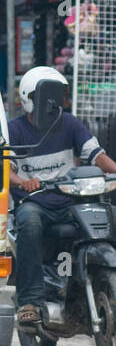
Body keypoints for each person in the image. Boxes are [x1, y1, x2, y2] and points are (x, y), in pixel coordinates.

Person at [8, 66, 116, 326]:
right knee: (29, 222)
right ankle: (30, 301)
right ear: (29, 98)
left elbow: (97, 157)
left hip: (71, 200)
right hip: (35, 202)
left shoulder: (70, 123)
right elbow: (5, 172)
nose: (54, 103)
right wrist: (23, 182)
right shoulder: (14, 130)